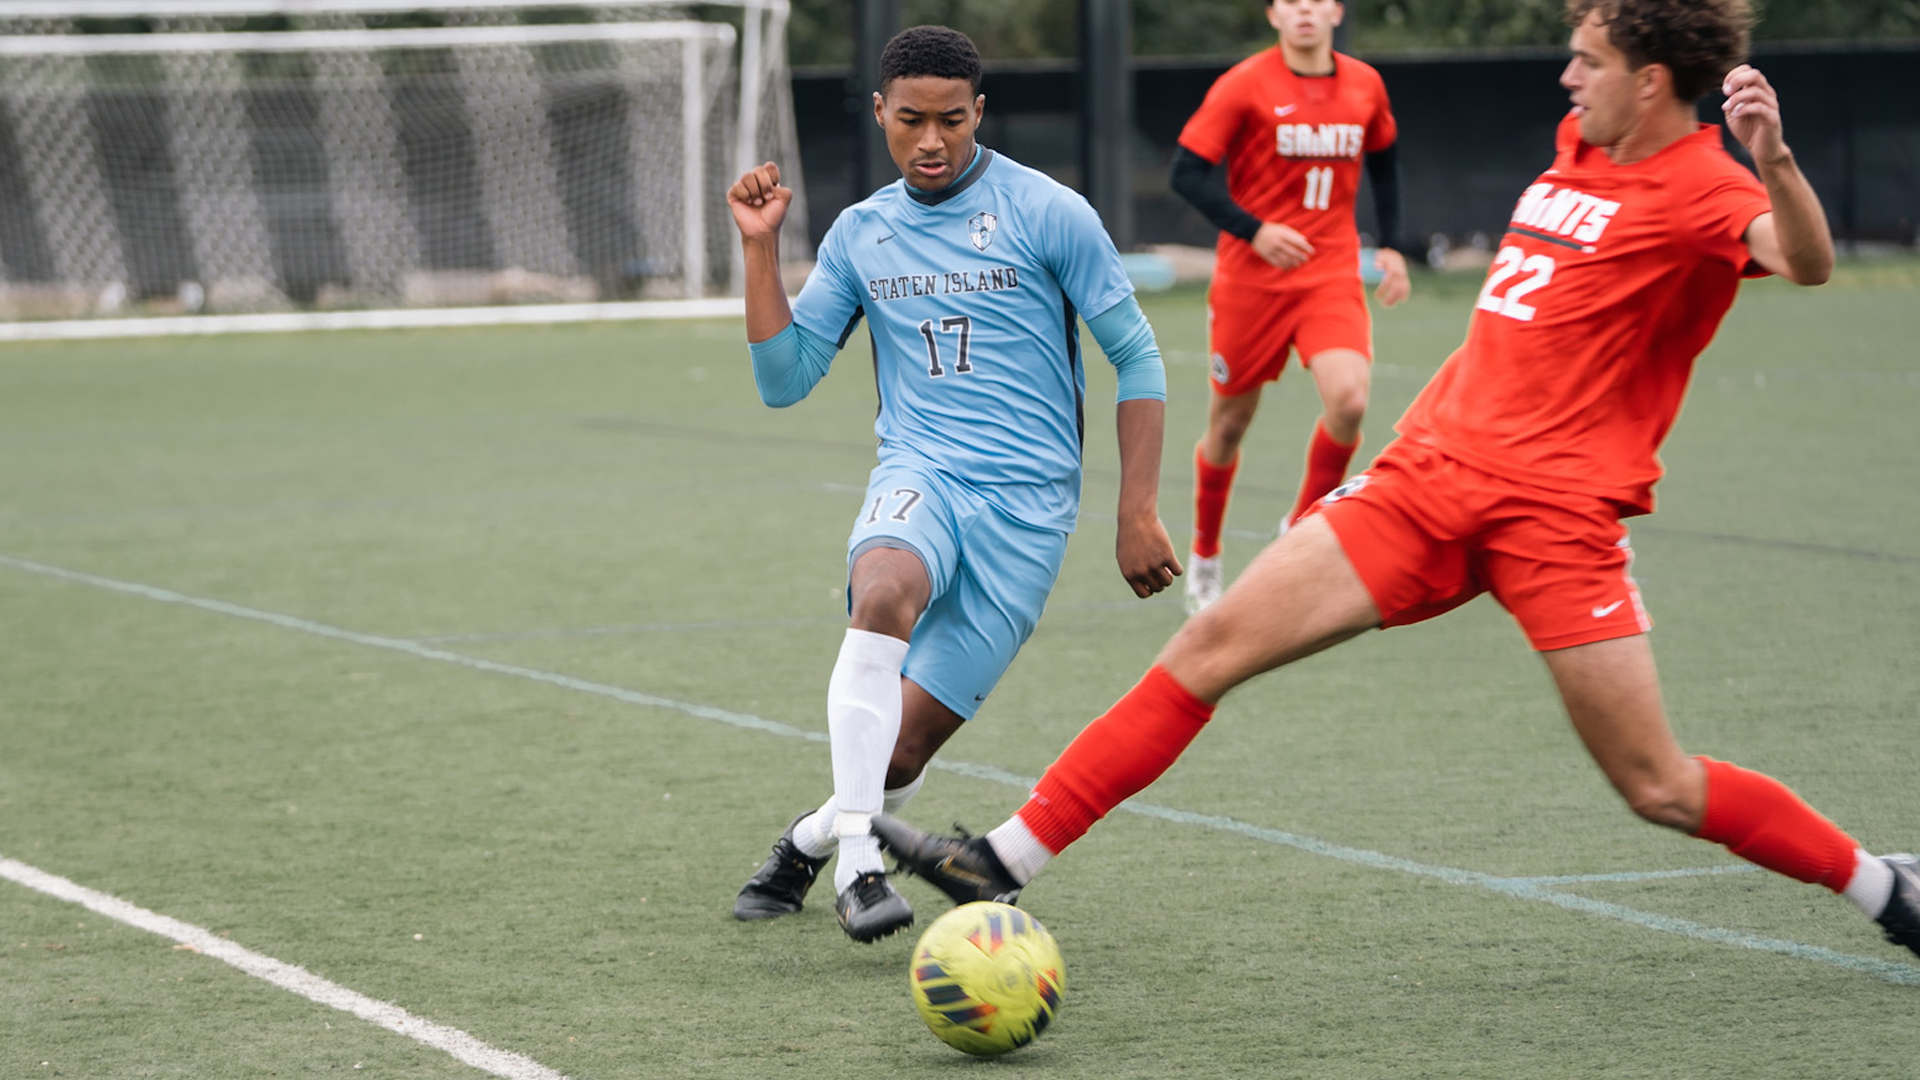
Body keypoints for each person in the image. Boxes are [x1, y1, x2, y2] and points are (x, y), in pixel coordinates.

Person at [874, 0, 1920, 961]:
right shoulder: (1580, 146)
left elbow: (1805, 259)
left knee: (1658, 786)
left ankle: (1884, 890)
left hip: (1556, 517)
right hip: (1424, 481)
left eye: (1588, 60)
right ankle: (1003, 858)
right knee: (1210, 645)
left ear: (1650, 81)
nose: (1567, 76)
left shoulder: (1704, 182)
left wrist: (1776, 162)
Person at [724, 25, 1182, 943]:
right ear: (879, 115)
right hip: (920, 473)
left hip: (1030, 513)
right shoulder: (860, 233)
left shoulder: (1050, 212)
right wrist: (762, 251)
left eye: (950, 121)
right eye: (909, 122)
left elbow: (1137, 358)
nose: (930, 142)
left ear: (979, 112)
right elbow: (783, 380)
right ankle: (859, 866)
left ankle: (813, 838)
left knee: (896, 752)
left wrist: (1135, 509)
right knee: (884, 588)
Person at [1170, 0, 1412, 615]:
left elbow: (1383, 160)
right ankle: (1204, 556)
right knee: (1227, 426)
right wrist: (1254, 230)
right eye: (1291, 1)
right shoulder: (1245, 84)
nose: (1305, 11)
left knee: (1351, 400)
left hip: (1329, 271)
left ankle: (1299, 531)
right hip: (1251, 281)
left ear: (1336, 11)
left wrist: (1390, 244)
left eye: (1317, 1)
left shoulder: (1365, 84)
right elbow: (1187, 173)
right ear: (1274, 14)